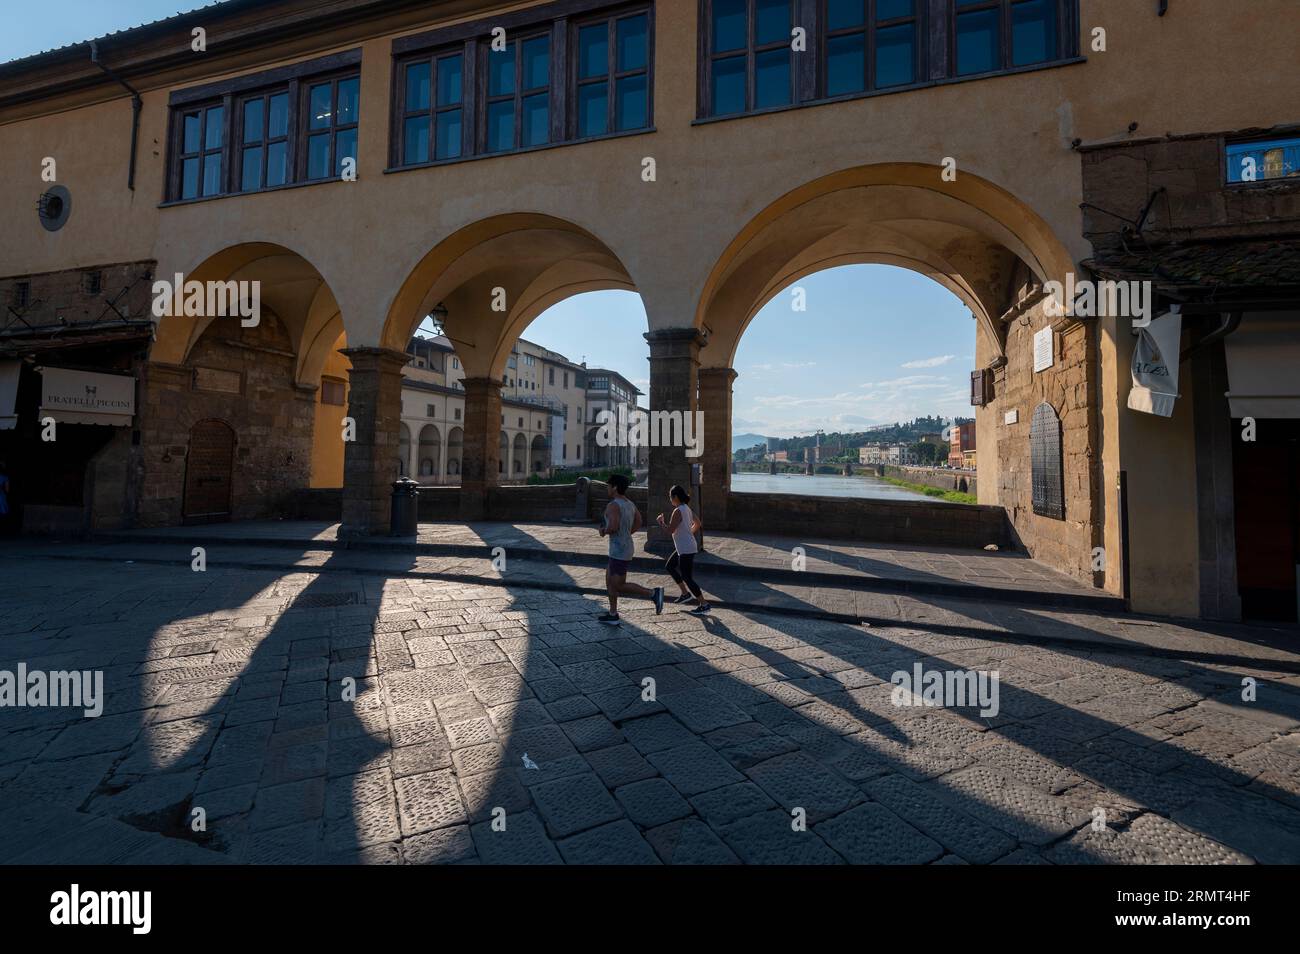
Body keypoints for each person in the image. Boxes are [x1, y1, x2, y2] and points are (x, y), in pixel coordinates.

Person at [597, 473, 663, 625]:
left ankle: (653, 593)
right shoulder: (630, 504)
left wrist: (603, 531)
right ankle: (613, 614)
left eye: (608, 485)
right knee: (609, 580)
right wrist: (627, 533)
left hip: (619, 549)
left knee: (618, 584)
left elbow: (613, 526)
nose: (607, 488)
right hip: (624, 546)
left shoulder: (613, 505)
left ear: (614, 487)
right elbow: (639, 521)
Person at [656, 484, 711, 614]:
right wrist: (688, 533)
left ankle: (704, 604)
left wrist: (661, 522)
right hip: (685, 546)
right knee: (670, 566)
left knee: (687, 577)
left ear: (675, 497)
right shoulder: (687, 508)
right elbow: (698, 524)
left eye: (670, 497)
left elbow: (670, 530)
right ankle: (685, 594)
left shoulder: (678, 510)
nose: (670, 499)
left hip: (685, 548)